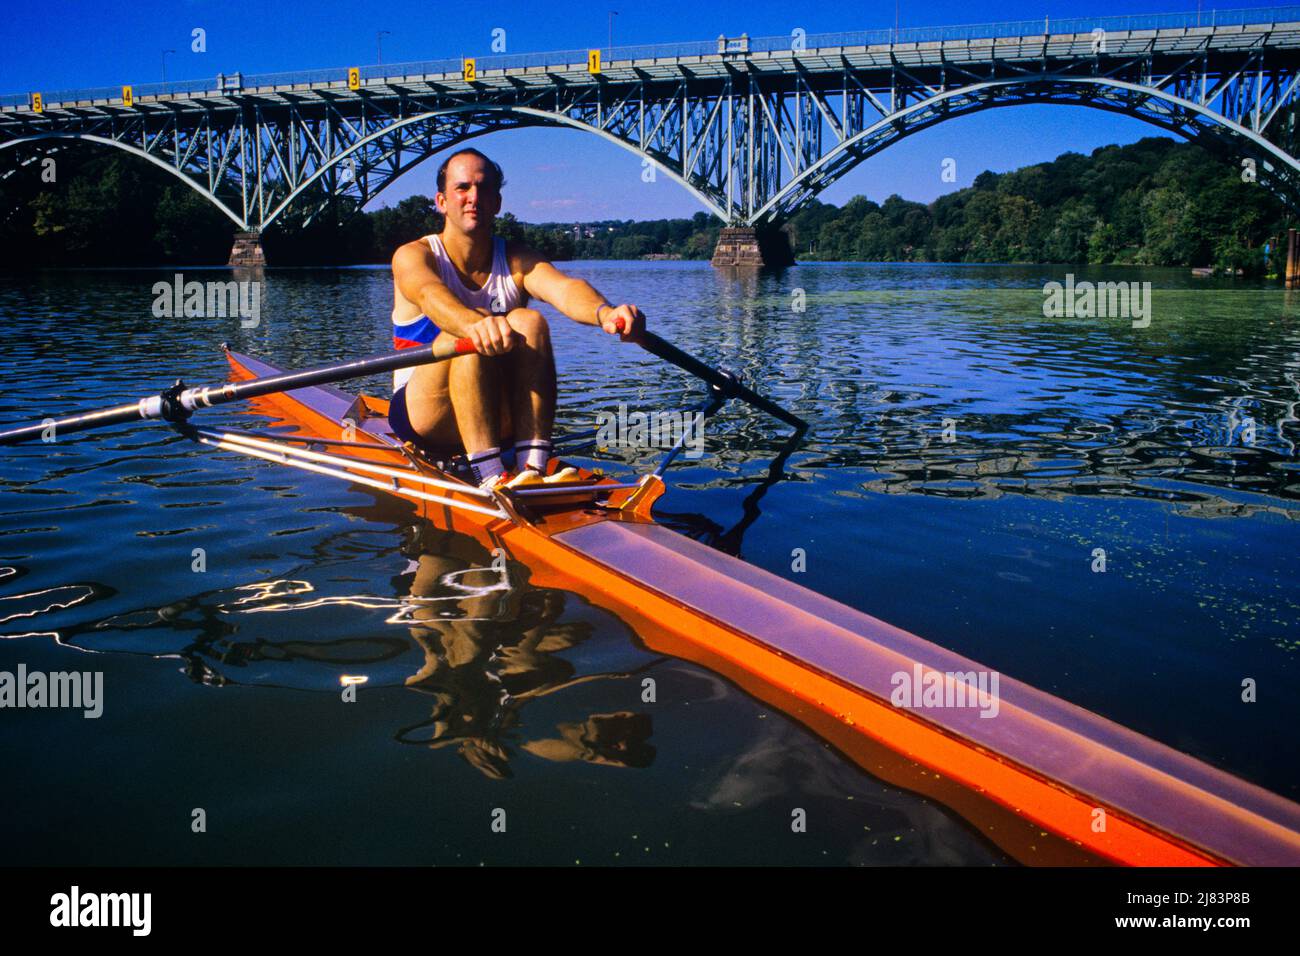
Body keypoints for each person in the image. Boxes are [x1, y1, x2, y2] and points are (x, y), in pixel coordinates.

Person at [390, 148, 645, 487]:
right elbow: (429, 294)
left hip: (495, 413)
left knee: (530, 321)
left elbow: (565, 290)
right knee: (468, 334)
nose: (473, 197)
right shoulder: (414, 256)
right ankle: (489, 474)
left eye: (484, 188)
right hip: (425, 416)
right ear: (441, 201)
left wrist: (606, 313)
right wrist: (473, 324)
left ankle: (532, 468)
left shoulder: (515, 259)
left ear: (497, 202)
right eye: (462, 188)